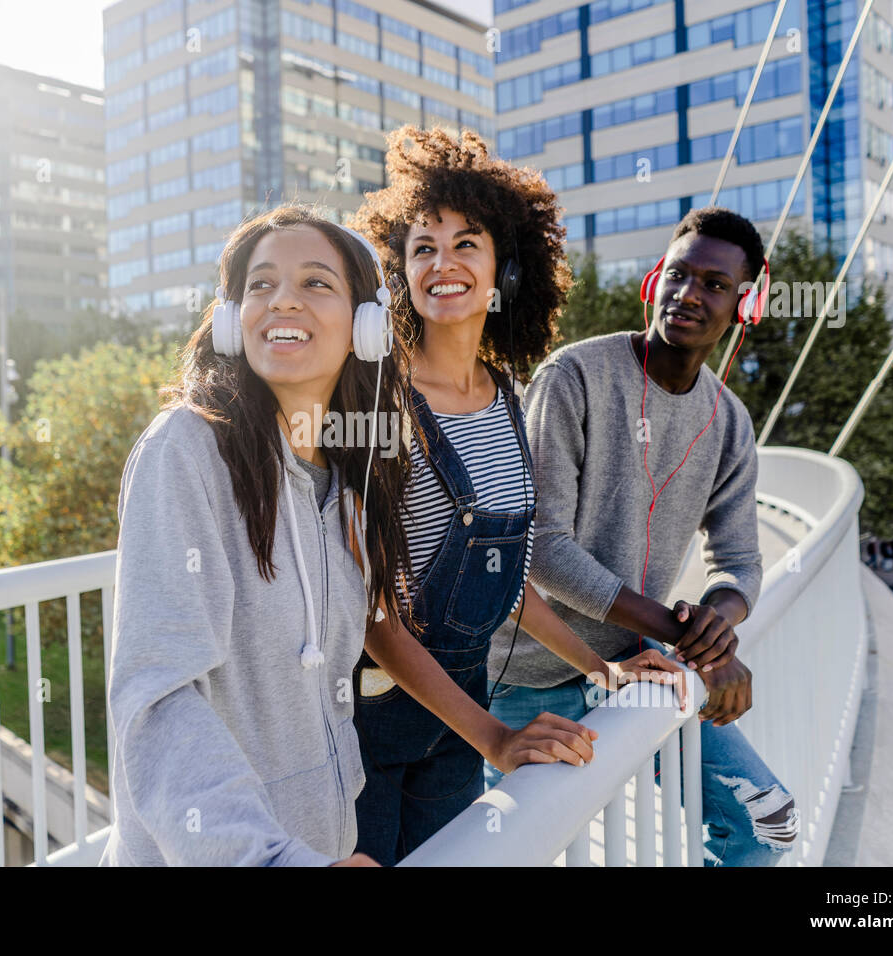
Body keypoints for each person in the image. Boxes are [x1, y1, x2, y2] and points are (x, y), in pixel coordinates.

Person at [347, 126, 681, 866]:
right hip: (368, 726)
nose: (443, 263)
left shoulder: (508, 397)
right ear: (400, 271)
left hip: (457, 724)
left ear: (506, 272)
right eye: (423, 246)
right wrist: (495, 738)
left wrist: (606, 668)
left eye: (468, 243)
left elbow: (507, 576)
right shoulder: (377, 402)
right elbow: (372, 615)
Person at [485, 207, 800, 866]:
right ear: (655, 278)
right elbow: (542, 547)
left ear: (747, 304)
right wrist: (685, 633)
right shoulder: (574, 377)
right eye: (680, 275)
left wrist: (717, 624)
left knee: (766, 820)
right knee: (516, 852)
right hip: (525, 680)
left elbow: (740, 560)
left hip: (640, 670)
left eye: (715, 284)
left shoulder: (731, 423)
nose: (689, 294)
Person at [99, 205, 411, 866]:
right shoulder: (183, 449)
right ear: (230, 320)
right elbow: (160, 697)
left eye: (315, 283)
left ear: (368, 325)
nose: (281, 302)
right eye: (260, 285)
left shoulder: (342, 474)